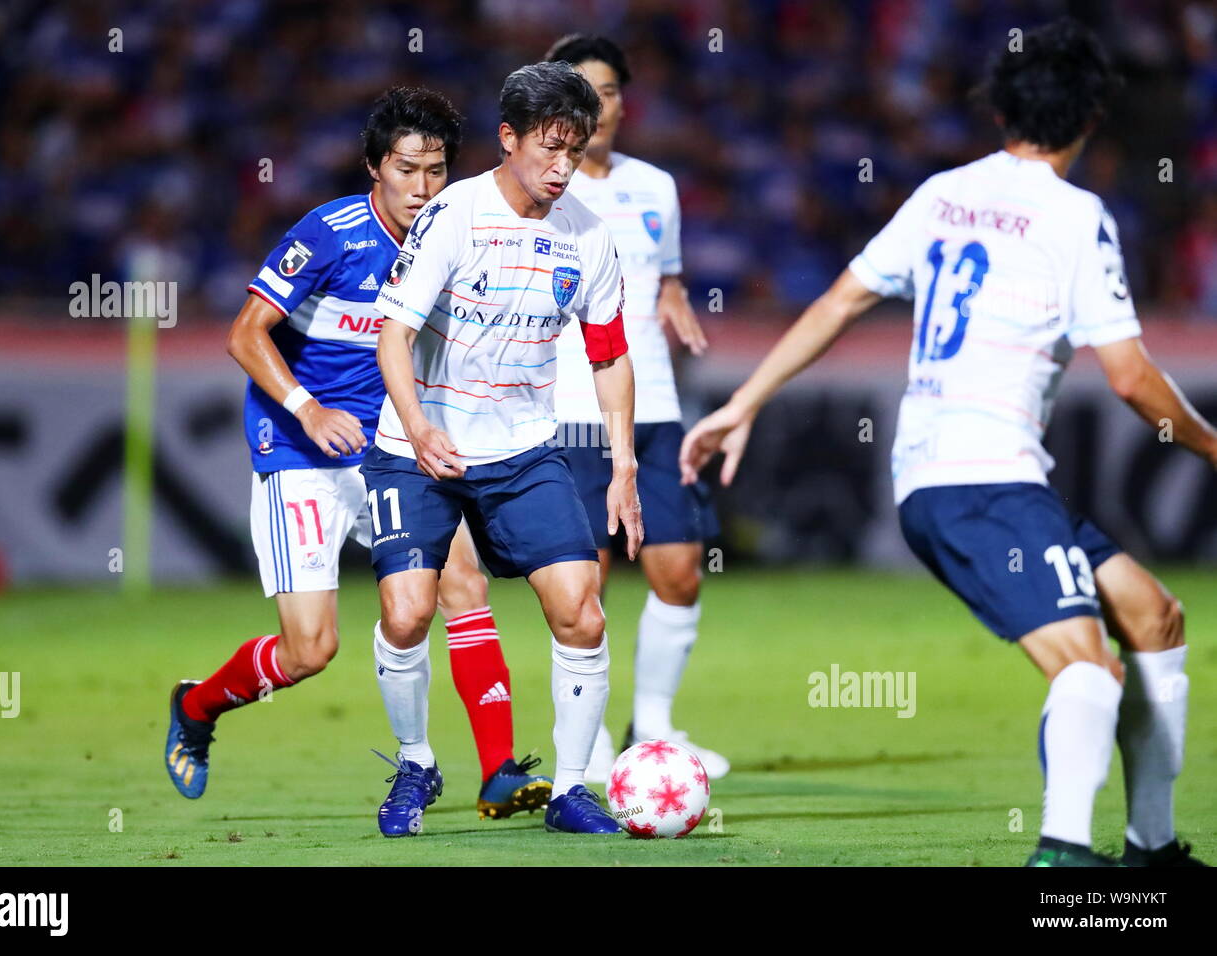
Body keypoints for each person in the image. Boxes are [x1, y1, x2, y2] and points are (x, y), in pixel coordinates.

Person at [680, 18, 1214, 867]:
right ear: (1091, 119)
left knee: (1154, 617)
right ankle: (1065, 856)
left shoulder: (942, 194)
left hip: (969, 478)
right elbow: (1131, 379)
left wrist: (744, 401)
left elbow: (839, 302)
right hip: (984, 480)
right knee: (1086, 671)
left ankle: (1152, 846)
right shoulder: (1077, 217)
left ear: (1000, 114)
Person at [163, 87, 552, 822]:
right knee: (310, 651)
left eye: (436, 169)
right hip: (302, 446)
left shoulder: (458, 230)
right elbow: (245, 334)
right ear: (374, 166)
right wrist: (309, 409)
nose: (422, 186)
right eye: (406, 169)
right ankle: (198, 704)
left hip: (392, 445)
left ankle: (490, 769)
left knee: (462, 582)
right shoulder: (330, 233)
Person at [365, 61, 643, 836]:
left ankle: (572, 791)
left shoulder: (587, 236)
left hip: (522, 453)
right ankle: (417, 762)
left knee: (582, 613)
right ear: (508, 138)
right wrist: (418, 427)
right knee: (409, 612)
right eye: (548, 149)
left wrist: (622, 464)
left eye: (576, 151)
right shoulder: (454, 214)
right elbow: (395, 336)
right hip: (418, 447)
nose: (562, 168)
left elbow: (610, 356)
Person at [540, 34, 727, 782]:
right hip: (572, 413)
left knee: (680, 570)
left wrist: (676, 294)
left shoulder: (657, 187)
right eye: (584, 92)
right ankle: (582, 748)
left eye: (611, 90)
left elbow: (666, 274)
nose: (601, 105)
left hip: (655, 410)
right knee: (586, 587)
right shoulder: (539, 192)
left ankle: (653, 728)